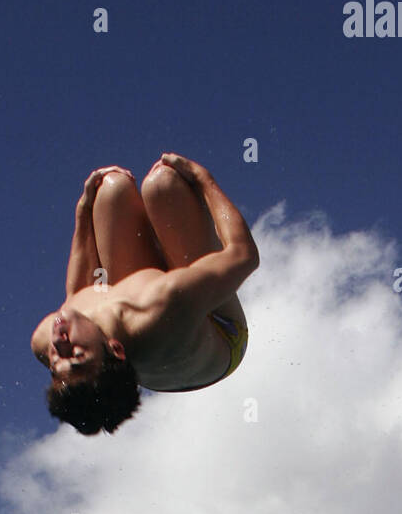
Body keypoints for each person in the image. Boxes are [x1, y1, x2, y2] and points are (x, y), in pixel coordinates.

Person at [31, 153, 259, 435]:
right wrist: (204, 179)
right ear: (115, 348)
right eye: (76, 355)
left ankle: (131, 222)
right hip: (220, 334)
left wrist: (83, 210)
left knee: (110, 191)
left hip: (138, 337)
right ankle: (173, 228)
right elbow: (244, 255)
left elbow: (78, 293)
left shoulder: (48, 337)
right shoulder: (162, 305)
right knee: (164, 186)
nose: (59, 344)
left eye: (54, 365)